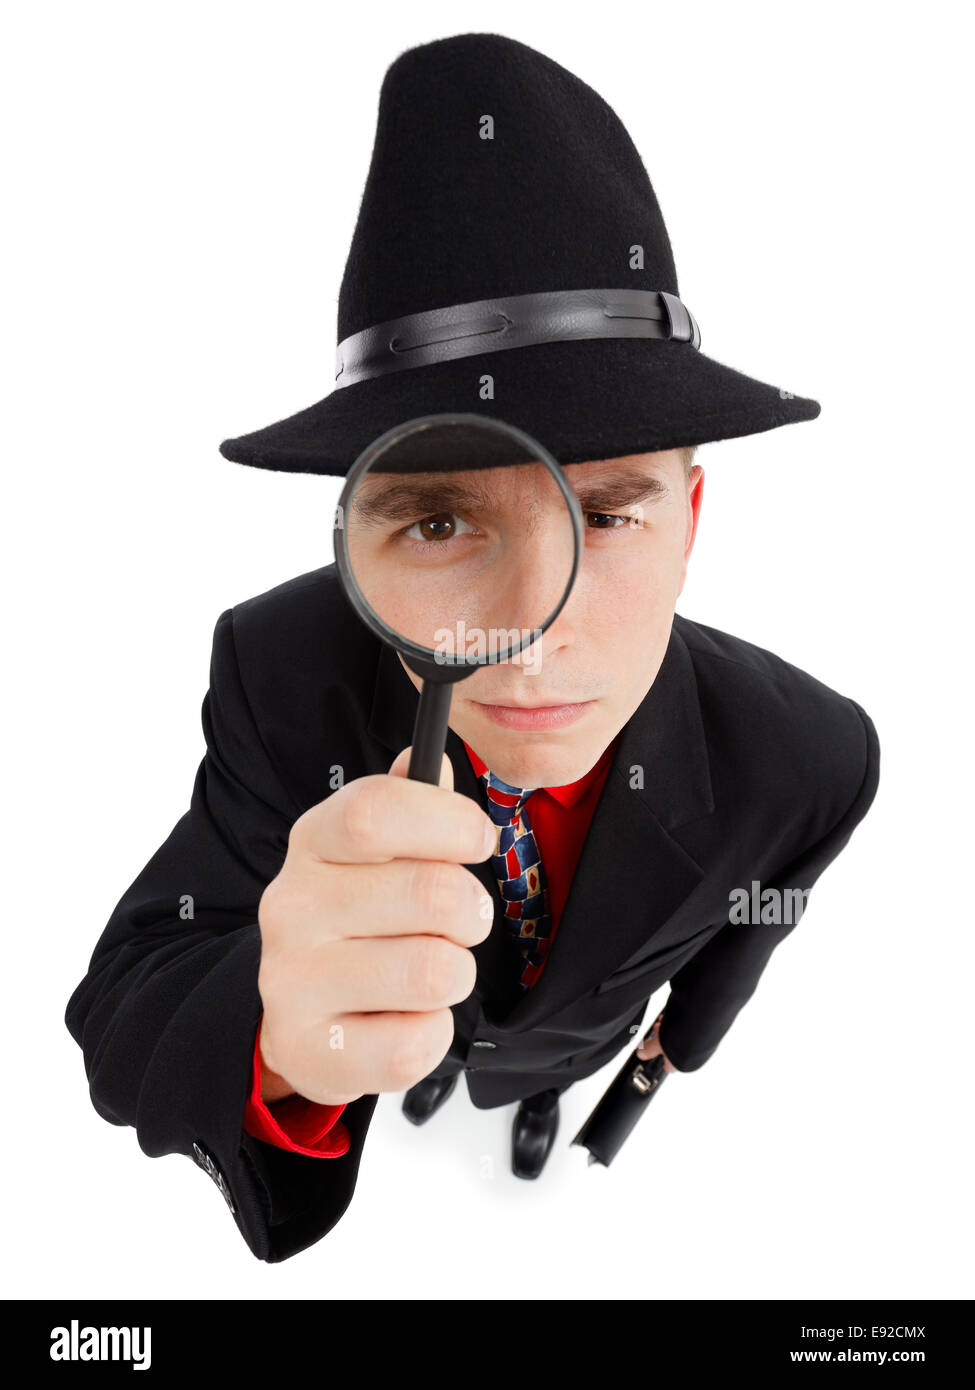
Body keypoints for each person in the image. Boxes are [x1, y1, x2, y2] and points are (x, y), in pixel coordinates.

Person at [65, 33, 880, 1263]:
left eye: (609, 514)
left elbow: (763, 913)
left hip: (586, 1042)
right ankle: (433, 1075)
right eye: (440, 521)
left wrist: (680, 1042)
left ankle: (529, 1095)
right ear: (358, 545)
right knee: (431, 1063)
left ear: (693, 522)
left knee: (532, 1077)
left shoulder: (814, 750)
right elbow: (131, 995)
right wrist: (284, 1045)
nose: (531, 632)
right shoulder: (277, 668)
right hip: (403, 1044)